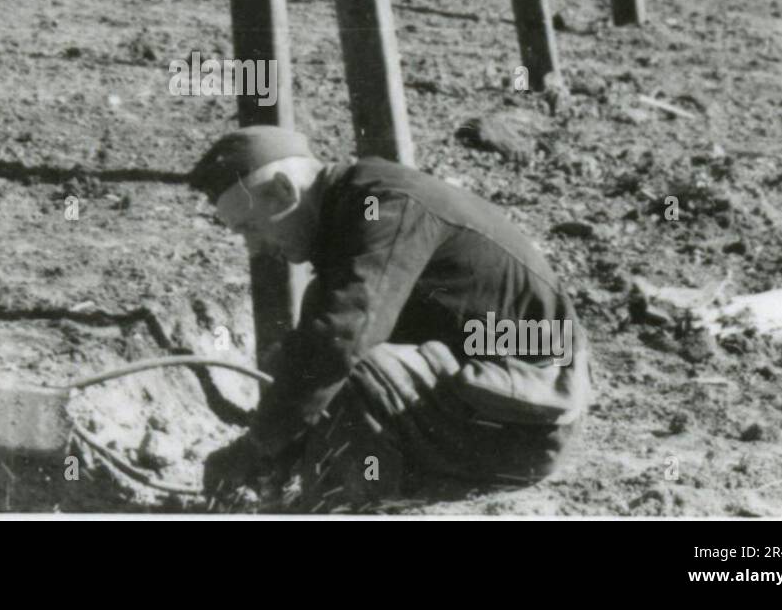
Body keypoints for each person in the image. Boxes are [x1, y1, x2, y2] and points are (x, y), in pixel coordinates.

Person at [188, 125, 591, 507]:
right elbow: (316, 353)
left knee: (355, 366)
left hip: (531, 421)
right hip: (495, 403)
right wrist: (276, 453)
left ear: (283, 191)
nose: (254, 248)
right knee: (304, 363)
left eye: (251, 228)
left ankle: (336, 507)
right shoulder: (352, 215)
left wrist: (257, 445)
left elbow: (342, 339)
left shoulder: (382, 204)